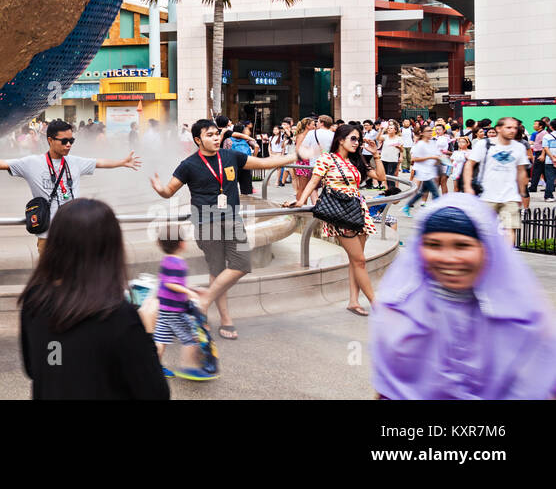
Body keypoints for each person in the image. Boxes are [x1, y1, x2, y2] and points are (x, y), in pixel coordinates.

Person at [371, 196, 556, 399]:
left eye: (462, 245)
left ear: (486, 249)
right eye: (433, 244)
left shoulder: (521, 320)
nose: (448, 258)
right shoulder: (399, 314)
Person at [150, 119, 293, 340]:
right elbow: (169, 191)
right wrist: (160, 190)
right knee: (216, 269)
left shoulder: (230, 156)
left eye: (217, 134)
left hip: (232, 219)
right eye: (209, 135)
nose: (216, 138)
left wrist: (295, 156)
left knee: (242, 263)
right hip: (205, 221)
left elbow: (264, 163)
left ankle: (204, 301)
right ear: (198, 140)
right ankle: (225, 318)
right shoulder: (188, 165)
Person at [18, 198, 169, 399]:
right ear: (111, 249)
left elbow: (34, 369)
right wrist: (148, 332)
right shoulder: (118, 316)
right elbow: (154, 393)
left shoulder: (34, 300)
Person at [0, 118, 142, 255]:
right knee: (50, 281)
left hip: (75, 232)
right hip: (48, 235)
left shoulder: (75, 162)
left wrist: (121, 162)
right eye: (64, 141)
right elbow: (2, 163)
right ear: (50, 140)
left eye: (71, 141)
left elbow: (99, 162)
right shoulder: (32, 163)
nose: (68, 145)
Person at [288, 123, 378, 316]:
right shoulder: (327, 159)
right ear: (340, 139)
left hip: (357, 210)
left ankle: (354, 301)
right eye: (353, 138)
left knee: (356, 261)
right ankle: (377, 303)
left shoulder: (355, 161)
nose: (357, 143)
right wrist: (301, 201)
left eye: (359, 139)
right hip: (339, 212)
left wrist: (376, 154)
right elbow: (314, 181)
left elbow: (379, 177)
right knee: (360, 260)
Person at [152, 230, 213, 380]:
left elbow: (169, 283)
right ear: (181, 243)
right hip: (175, 311)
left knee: (160, 340)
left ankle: (153, 368)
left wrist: (193, 290)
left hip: (164, 309)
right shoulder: (178, 263)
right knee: (190, 338)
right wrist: (189, 292)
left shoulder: (166, 260)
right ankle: (187, 368)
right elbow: (171, 283)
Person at [464, 116, 529, 245]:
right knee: (484, 230)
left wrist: (522, 193)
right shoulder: (485, 144)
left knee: (509, 229)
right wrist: (468, 187)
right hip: (487, 196)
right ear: (498, 129)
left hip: (510, 196)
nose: (512, 130)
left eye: (515, 128)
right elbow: (469, 164)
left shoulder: (519, 147)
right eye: (508, 127)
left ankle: (506, 259)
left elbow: (521, 171)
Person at [404, 124, 443, 215]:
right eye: (428, 131)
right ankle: (436, 212)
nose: (430, 133)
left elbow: (436, 155)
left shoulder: (433, 143)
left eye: (431, 130)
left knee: (421, 192)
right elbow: (413, 159)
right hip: (423, 172)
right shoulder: (420, 144)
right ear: (422, 133)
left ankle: (407, 206)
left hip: (431, 171)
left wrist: (439, 158)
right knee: (435, 192)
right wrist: (429, 157)